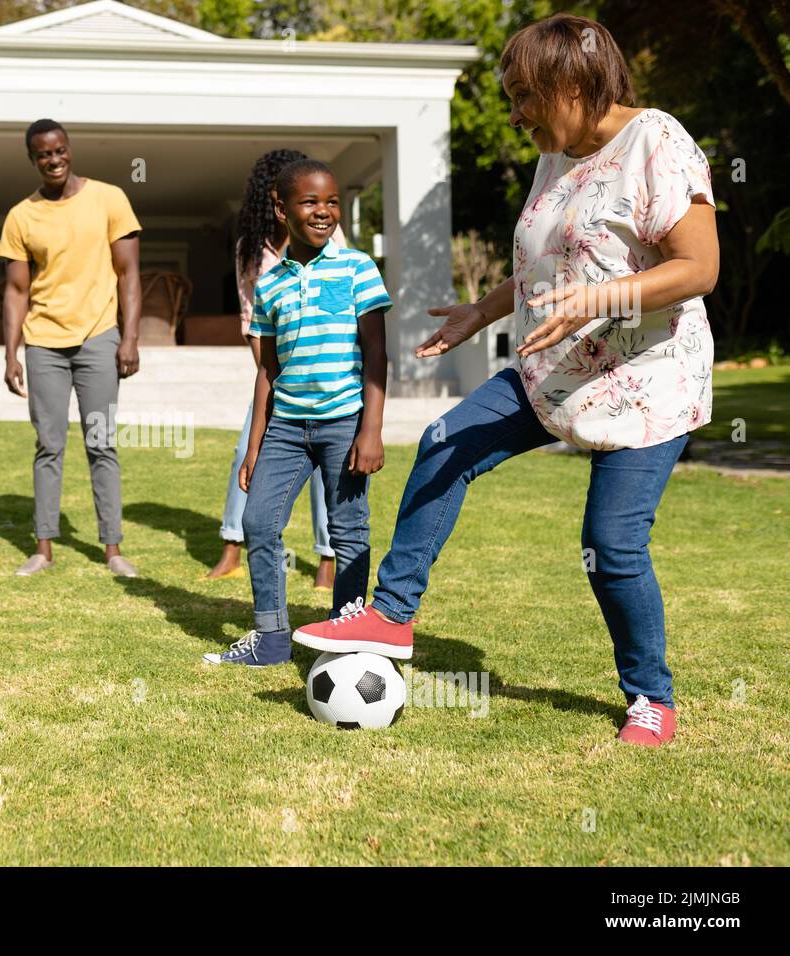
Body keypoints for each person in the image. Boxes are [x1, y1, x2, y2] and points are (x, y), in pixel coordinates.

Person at [292, 14, 718, 747]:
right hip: (550, 369)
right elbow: (544, 263)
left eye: (525, 97)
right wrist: (481, 311)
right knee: (446, 441)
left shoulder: (658, 140)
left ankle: (652, 697)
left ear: (575, 82)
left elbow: (699, 269)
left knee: (612, 543)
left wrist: (598, 301)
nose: (516, 114)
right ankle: (391, 614)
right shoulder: (558, 152)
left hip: (645, 380)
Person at [204, 159, 390, 666]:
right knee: (260, 524)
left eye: (331, 202)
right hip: (286, 425)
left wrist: (370, 429)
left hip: (345, 421)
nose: (323, 211)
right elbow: (267, 372)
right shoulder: (270, 285)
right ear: (281, 208)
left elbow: (377, 353)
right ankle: (271, 639)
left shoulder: (357, 268)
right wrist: (256, 444)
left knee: (348, 529)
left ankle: (348, 634)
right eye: (310, 202)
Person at [0, 119, 143, 578]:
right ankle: (43, 548)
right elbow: (16, 290)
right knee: (49, 445)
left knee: (101, 443)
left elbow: (129, 275)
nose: (54, 159)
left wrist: (130, 337)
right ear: (32, 159)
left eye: (59, 150)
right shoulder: (22, 215)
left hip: (99, 336)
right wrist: (10, 353)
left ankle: (113, 549)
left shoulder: (110, 198)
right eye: (43, 154)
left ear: (70, 150)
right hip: (43, 343)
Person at [206, 148, 338, 591]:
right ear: (276, 198)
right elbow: (251, 320)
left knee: (325, 467)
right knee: (246, 453)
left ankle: (327, 559)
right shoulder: (251, 249)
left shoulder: (331, 242)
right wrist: (271, 377)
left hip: (323, 378)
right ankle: (231, 546)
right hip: (274, 376)